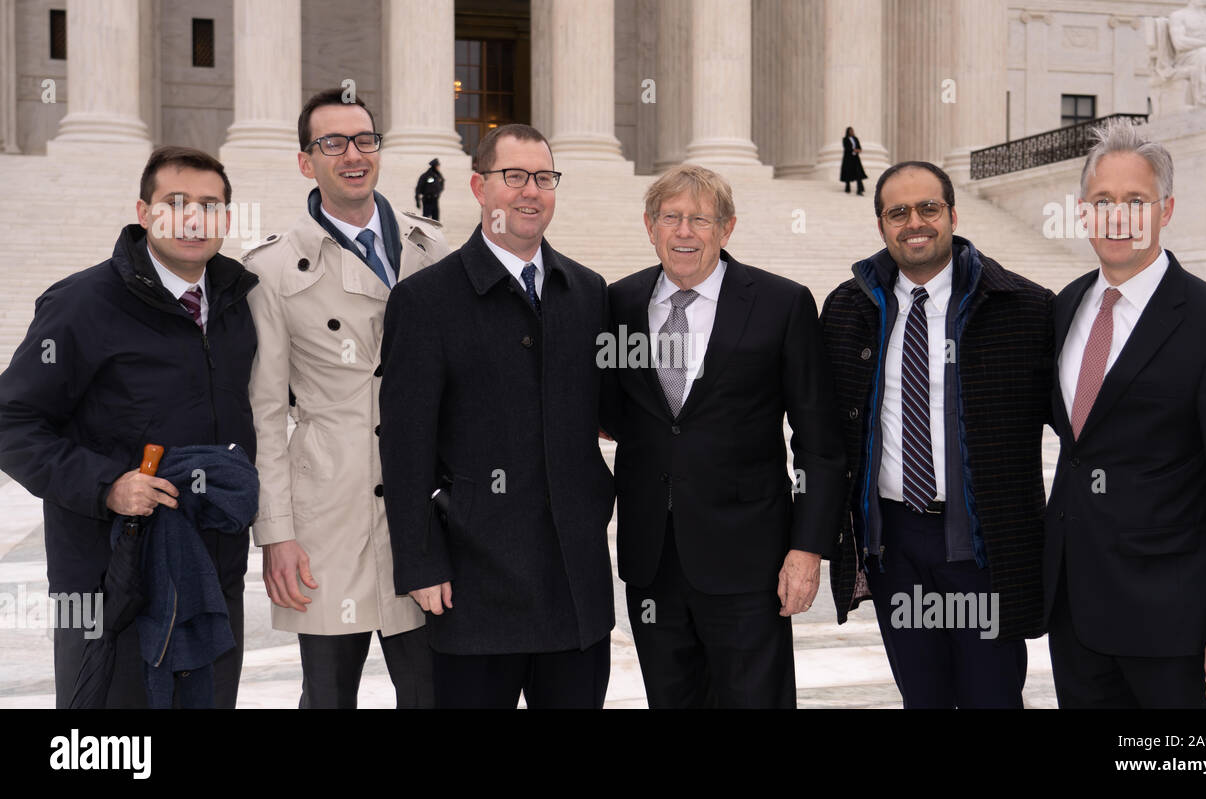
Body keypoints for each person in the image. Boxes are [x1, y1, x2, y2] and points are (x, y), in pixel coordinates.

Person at [0, 146, 259, 708]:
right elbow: (13, 422)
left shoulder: (239, 303)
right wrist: (107, 485)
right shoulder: (82, 304)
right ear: (144, 213)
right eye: (176, 202)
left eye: (210, 205)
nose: (194, 218)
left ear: (228, 220)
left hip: (212, 570)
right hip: (111, 578)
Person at [1044, 117, 1206, 708]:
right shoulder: (1065, 308)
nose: (1118, 216)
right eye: (1103, 200)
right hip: (1075, 614)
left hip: (1177, 627)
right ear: (1083, 211)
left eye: (1136, 201)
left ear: (1166, 210)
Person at [378, 123, 615, 708]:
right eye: (514, 177)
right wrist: (420, 560)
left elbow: (612, 417)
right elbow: (404, 448)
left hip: (574, 587)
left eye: (543, 178)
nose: (530, 191)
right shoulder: (425, 300)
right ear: (479, 187)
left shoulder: (589, 293)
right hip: (472, 587)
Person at [607, 164, 845, 708]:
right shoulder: (618, 304)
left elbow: (819, 442)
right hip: (652, 561)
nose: (684, 232)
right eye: (671, 218)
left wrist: (806, 550)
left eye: (700, 219)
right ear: (650, 227)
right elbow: (613, 413)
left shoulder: (781, 304)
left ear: (727, 228)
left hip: (749, 561)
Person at [820, 161, 1055, 708]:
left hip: (982, 547)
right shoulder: (847, 308)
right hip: (894, 546)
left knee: (991, 697)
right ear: (881, 226)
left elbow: (1078, 427)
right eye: (897, 212)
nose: (914, 222)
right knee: (921, 697)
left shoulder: (1022, 306)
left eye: (928, 207)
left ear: (952, 214)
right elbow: (825, 430)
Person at [243, 89, 450, 709]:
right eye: (332, 143)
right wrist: (276, 533)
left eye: (364, 140)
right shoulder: (273, 270)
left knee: (433, 689)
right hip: (327, 514)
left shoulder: (432, 248)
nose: (351, 155)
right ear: (307, 161)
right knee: (329, 694)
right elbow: (264, 412)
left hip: (422, 509)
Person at [841, 126, 868, 196]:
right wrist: (853, 150)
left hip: (855, 158)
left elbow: (859, 147)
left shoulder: (855, 139)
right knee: (848, 172)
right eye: (851, 131)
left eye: (852, 131)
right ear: (848, 132)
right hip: (848, 159)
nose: (852, 132)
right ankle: (847, 187)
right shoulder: (845, 139)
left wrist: (858, 150)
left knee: (858, 173)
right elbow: (846, 148)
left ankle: (860, 189)